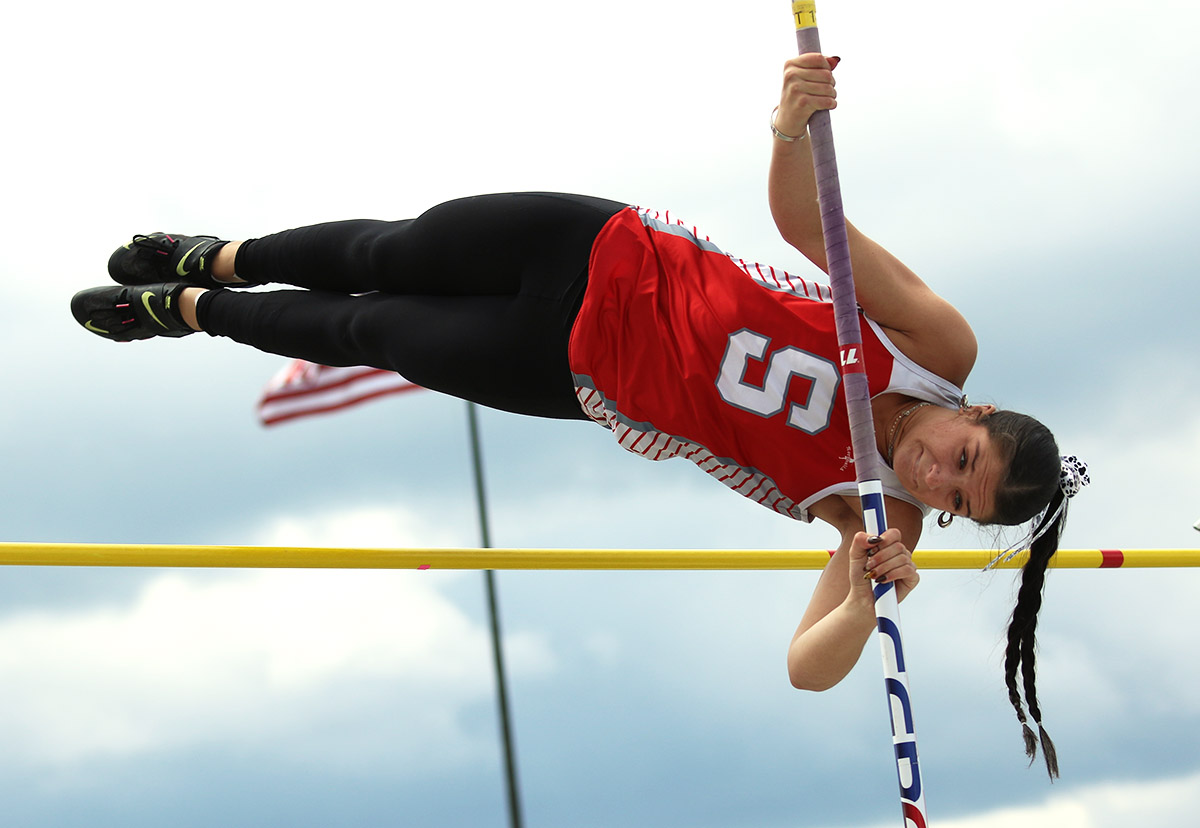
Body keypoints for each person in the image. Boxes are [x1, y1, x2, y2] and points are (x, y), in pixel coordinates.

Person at [71, 53, 1085, 777]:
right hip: (602, 249)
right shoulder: (939, 346)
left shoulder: (879, 521)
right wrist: (787, 123)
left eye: (952, 494)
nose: (930, 472)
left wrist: (865, 599)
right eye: (958, 454)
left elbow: (804, 671)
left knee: (372, 335)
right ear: (977, 413)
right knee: (389, 253)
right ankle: (218, 257)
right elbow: (800, 222)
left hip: (572, 371)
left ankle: (193, 311)